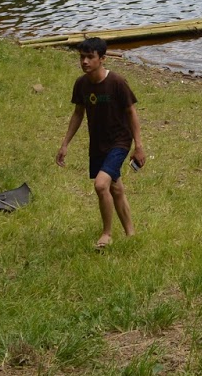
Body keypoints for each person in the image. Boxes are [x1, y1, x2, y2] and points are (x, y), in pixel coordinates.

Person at [56, 37, 146, 248]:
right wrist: (65, 144)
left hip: (119, 142)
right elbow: (78, 113)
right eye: (82, 57)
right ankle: (131, 234)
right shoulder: (81, 84)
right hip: (97, 144)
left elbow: (131, 112)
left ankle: (106, 234)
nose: (85, 62)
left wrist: (139, 146)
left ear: (103, 59)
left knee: (101, 185)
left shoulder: (117, 82)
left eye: (90, 57)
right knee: (115, 188)